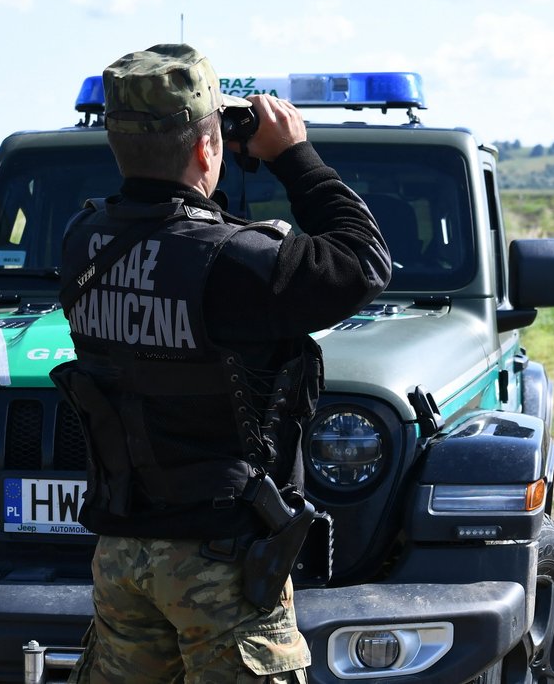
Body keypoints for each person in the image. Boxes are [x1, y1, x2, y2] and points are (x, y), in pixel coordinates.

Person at [53, 44, 390, 684]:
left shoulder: (81, 243)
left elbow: (166, 238)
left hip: (124, 554)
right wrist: (294, 157)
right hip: (221, 560)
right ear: (209, 148)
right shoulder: (234, 263)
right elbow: (364, 262)